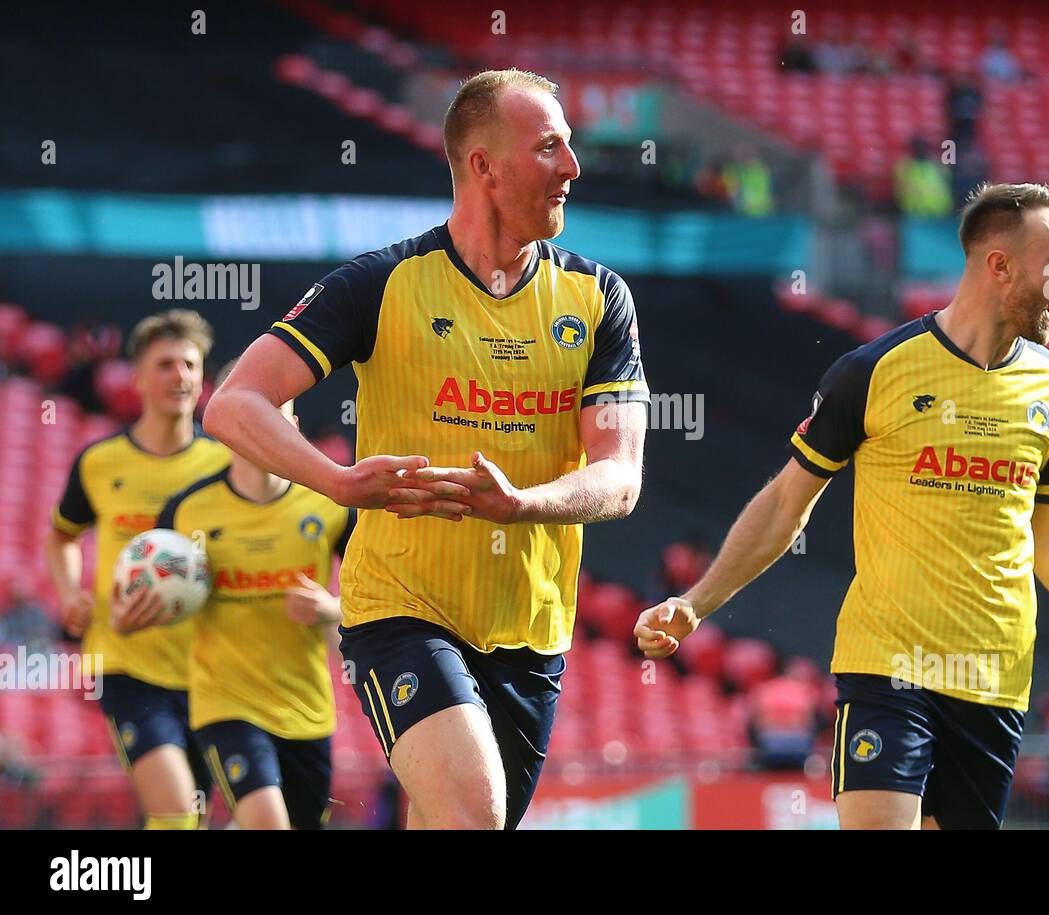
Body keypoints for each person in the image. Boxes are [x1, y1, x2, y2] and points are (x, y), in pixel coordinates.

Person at [634, 183, 1049, 830]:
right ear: (998, 265)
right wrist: (696, 601)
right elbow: (784, 506)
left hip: (993, 682)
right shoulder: (875, 370)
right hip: (887, 670)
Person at [203, 68, 649, 830]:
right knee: (471, 815)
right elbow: (233, 403)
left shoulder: (598, 297)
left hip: (530, 633)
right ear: (484, 166)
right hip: (401, 614)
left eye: (570, 147)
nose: (573, 167)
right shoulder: (382, 284)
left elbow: (621, 478)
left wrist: (522, 506)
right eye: (550, 148)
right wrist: (337, 481)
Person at [128, 360, 355, 830]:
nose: (260, 426)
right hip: (226, 705)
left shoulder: (328, 504)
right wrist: (142, 611)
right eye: (249, 413)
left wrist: (331, 610)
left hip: (308, 712)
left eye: (274, 412)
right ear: (224, 421)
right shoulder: (186, 510)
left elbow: (378, 605)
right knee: (266, 821)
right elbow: (135, 605)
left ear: (292, 425)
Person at [45, 309, 230, 830]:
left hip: (209, 668)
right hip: (124, 661)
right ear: (138, 378)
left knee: (191, 815)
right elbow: (61, 536)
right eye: (166, 364)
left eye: (190, 365)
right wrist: (67, 591)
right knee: (173, 809)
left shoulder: (223, 466)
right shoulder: (100, 462)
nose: (181, 376)